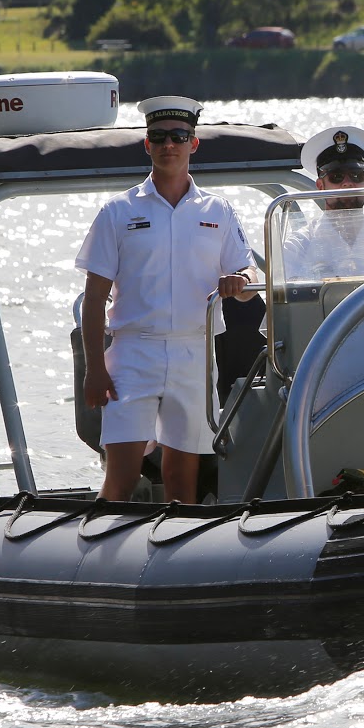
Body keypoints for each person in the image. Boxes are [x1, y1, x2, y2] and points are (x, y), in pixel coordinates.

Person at [76, 95, 260, 503]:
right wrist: (94, 369)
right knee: (120, 476)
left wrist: (239, 280)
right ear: (147, 145)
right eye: (158, 137)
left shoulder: (219, 210)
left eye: (178, 136)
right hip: (132, 352)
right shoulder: (118, 211)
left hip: (194, 352)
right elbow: (93, 299)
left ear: (193, 144)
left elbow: (247, 274)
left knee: (182, 479)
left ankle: (179, 555)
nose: (168, 145)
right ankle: (105, 557)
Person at [279, 124, 364, 279]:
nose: (348, 183)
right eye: (336, 176)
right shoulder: (297, 249)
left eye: (356, 175)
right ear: (320, 186)